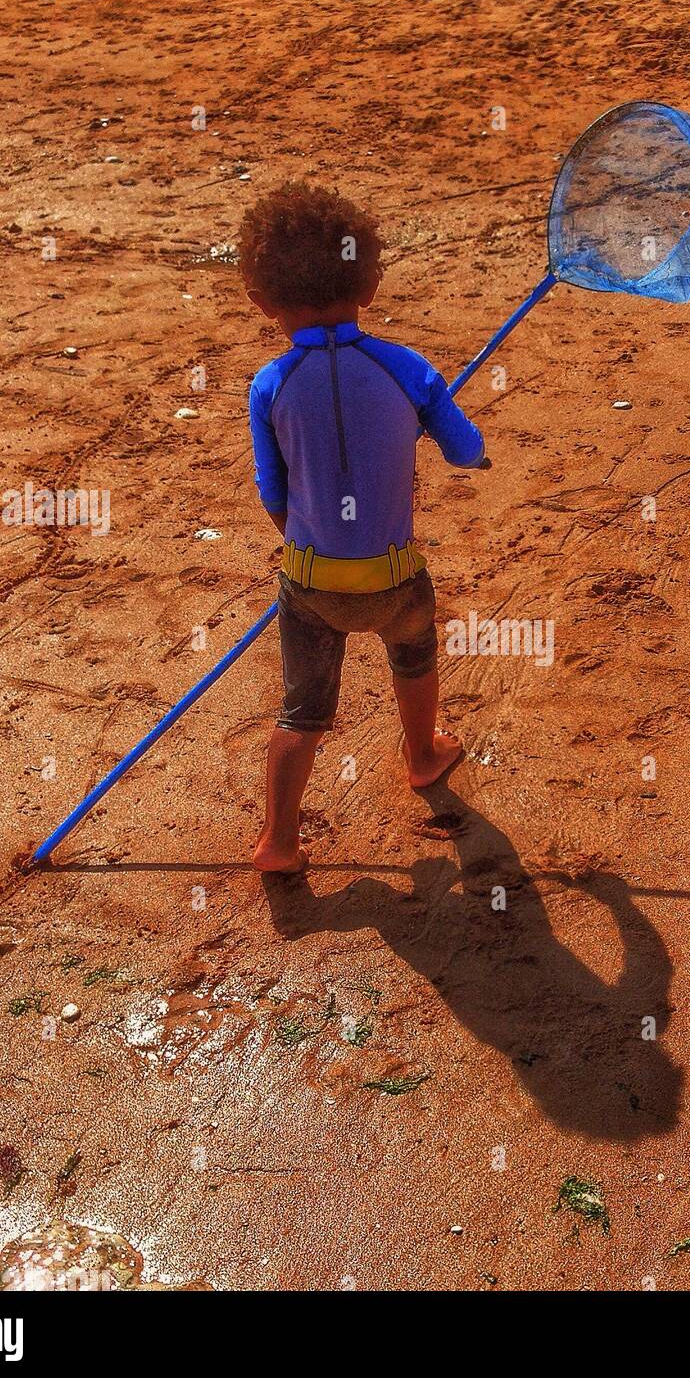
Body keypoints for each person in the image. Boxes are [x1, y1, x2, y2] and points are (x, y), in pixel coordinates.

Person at [241, 181, 484, 874]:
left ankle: (278, 843)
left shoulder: (270, 384)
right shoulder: (406, 368)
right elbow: (465, 451)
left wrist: (302, 539)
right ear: (369, 285)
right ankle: (422, 755)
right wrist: (466, 441)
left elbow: (272, 493)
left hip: (311, 584)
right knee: (413, 659)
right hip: (395, 577)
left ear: (262, 303)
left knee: (301, 713)